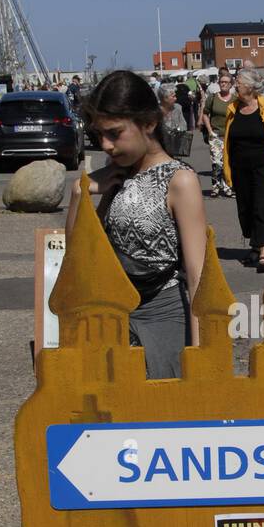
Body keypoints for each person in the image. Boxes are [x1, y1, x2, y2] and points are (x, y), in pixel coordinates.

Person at [67, 70, 206, 379]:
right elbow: (76, 254)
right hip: (110, 316)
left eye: (114, 133)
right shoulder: (113, 174)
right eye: (98, 135)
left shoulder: (179, 180)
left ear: (148, 124)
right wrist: (81, 191)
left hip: (165, 316)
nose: (104, 144)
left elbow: (198, 273)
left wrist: (200, 354)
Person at [221, 67, 264, 273]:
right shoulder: (232, 109)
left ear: (251, 87)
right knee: (246, 210)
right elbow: (229, 138)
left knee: (262, 209)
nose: (236, 85)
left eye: (239, 83)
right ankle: (254, 245)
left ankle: (263, 254)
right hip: (240, 168)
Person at [200, 68, 235, 197]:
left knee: (228, 162)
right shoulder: (213, 98)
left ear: (231, 84)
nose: (223, 84)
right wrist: (210, 131)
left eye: (226, 82)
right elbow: (205, 114)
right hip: (216, 135)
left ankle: (228, 188)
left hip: (230, 136)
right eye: (221, 82)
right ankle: (215, 187)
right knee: (216, 162)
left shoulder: (235, 99)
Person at [159, 83, 191, 158]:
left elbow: (183, 124)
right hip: (161, 147)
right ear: (165, 98)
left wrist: (179, 130)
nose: (176, 98)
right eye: (173, 96)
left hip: (176, 145)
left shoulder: (178, 108)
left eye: (175, 96)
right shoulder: (156, 111)